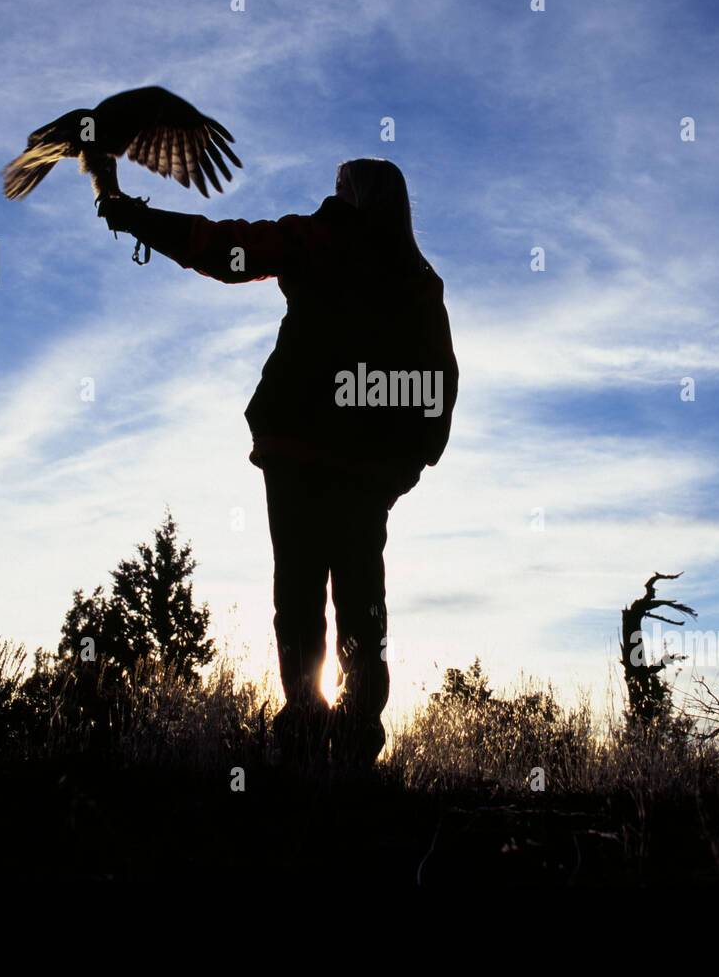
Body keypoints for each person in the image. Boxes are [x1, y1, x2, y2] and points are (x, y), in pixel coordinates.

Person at [98, 159, 458, 771]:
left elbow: (226, 248)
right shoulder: (419, 281)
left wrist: (136, 216)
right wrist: (407, 464)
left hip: (299, 455)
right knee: (362, 604)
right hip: (364, 475)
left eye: (340, 183)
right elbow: (438, 385)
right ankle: (354, 738)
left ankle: (307, 726)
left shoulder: (319, 239)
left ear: (356, 195)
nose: (331, 189)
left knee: (297, 594)